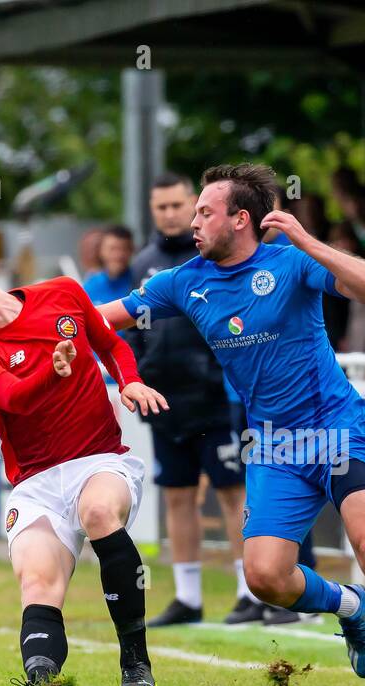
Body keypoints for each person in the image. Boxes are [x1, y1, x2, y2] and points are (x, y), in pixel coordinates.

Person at [98, 162, 365, 686]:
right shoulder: (184, 281)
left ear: (241, 219)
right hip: (277, 447)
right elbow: (101, 319)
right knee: (263, 577)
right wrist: (35, 329)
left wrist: (307, 237)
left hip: (340, 429)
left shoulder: (290, 262)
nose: (193, 223)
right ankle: (349, 605)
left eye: (203, 213)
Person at [0, 236, 169, 686]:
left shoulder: (63, 293)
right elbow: (15, 398)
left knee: (98, 510)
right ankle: (44, 683)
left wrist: (130, 380)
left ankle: (134, 661)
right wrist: (55, 369)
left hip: (100, 459)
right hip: (36, 485)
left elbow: (110, 344)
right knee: (38, 582)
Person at [124, 173, 261, 627]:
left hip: (216, 399)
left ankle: (249, 591)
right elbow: (134, 321)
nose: (169, 214)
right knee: (177, 496)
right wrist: (139, 374)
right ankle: (187, 597)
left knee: (230, 491)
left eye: (178, 205)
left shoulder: (213, 252)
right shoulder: (143, 261)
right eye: (159, 206)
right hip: (164, 399)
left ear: (194, 205)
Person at [82, 225, 135, 305]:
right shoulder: (90, 286)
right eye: (112, 249)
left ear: (131, 251)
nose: (118, 255)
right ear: (101, 251)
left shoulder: (139, 282)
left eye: (123, 249)